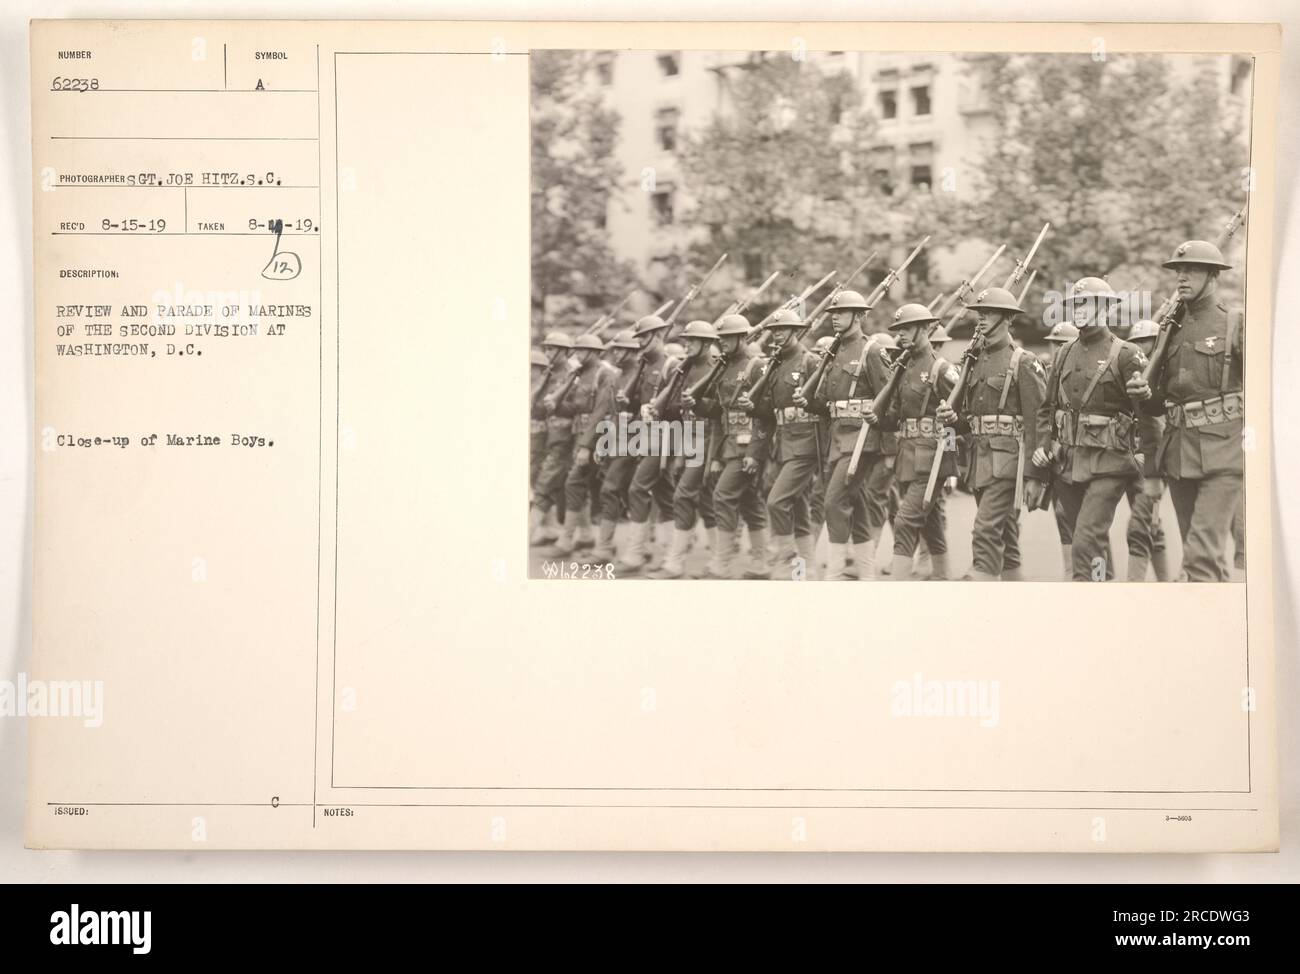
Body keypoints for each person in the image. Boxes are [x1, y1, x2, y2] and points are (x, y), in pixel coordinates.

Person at [1128, 240, 1244, 582]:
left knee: (1198, 559)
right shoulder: (1169, 330)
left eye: (1191, 270)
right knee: (1206, 563)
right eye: (1178, 270)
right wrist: (1143, 392)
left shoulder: (1235, 324)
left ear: (1212, 275)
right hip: (1179, 453)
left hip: (1225, 456)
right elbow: (1158, 402)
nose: (1181, 277)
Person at [1033, 278, 1147, 581]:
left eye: (1086, 303)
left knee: (1085, 541)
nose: (1078, 310)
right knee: (1089, 540)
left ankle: (1089, 597)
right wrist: (1043, 449)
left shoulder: (1126, 354)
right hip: (1067, 465)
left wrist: (1150, 458)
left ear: (1105, 308)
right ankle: (1103, 584)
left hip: (1110, 463)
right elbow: (1047, 409)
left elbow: (1146, 412)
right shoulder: (1063, 354)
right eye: (1074, 304)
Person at [935, 287, 1047, 581]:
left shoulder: (1023, 361)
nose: (981, 319)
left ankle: (979, 579)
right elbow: (969, 420)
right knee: (1006, 534)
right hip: (979, 460)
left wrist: (1036, 475)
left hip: (1008, 461)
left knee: (985, 529)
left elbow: (1039, 421)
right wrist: (953, 418)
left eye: (989, 313)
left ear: (1007, 318)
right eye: (980, 313)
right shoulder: (973, 361)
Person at [795, 291, 891, 580]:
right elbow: (826, 402)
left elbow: (889, 398)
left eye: (841, 312)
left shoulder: (871, 351)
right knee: (857, 504)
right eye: (833, 313)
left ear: (859, 316)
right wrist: (807, 401)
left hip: (862, 440)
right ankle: (866, 572)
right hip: (838, 440)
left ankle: (835, 572)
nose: (834, 317)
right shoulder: (834, 351)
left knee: (832, 501)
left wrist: (888, 449)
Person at [876, 303, 959, 580]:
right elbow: (895, 418)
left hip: (932, 461)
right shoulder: (903, 369)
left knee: (904, 520)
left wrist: (950, 460)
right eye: (899, 330)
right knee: (931, 523)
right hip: (907, 458)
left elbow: (962, 418)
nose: (902, 335)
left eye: (908, 329)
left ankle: (898, 586)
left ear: (925, 329)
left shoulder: (940, 368)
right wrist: (876, 418)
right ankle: (942, 577)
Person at [736, 309, 821, 579]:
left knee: (777, 501)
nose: (778, 334)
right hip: (784, 444)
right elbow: (768, 417)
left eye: (784, 329)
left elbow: (824, 406)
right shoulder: (774, 365)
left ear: (797, 331)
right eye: (776, 329)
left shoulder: (810, 362)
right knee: (797, 506)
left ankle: (787, 560)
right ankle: (805, 569)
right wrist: (753, 413)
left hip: (807, 444)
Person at [647, 321, 723, 578]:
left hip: (708, 438)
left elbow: (720, 407)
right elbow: (675, 407)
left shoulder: (715, 368)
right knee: (702, 501)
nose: (686, 344)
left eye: (692, 340)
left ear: (706, 343)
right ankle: (717, 561)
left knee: (682, 495)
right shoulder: (685, 367)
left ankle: (675, 562)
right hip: (689, 437)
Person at [706, 314, 771, 578]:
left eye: (727, 338)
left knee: (722, 496)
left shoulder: (756, 366)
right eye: (720, 338)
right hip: (730, 446)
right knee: (749, 503)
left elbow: (766, 414)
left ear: (743, 337)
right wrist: (715, 456)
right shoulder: (723, 367)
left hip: (749, 448)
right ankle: (760, 563)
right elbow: (719, 417)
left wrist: (756, 453)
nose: (722, 342)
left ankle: (723, 563)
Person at [608, 315, 674, 572]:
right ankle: (669, 554)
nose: (641, 343)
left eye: (644, 337)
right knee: (664, 494)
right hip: (644, 435)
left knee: (638, 489)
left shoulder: (671, 365)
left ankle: (636, 553)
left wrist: (657, 410)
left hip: (666, 436)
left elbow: (678, 407)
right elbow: (637, 402)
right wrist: (631, 402)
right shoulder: (644, 366)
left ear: (658, 336)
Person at [545, 334, 615, 557]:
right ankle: (585, 538)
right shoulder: (578, 374)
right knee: (576, 485)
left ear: (594, 352)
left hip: (601, 437)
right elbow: (574, 408)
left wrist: (586, 445)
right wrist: (555, 405)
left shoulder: (605, 373)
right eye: (577, 351)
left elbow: (600, 411)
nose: (577, 355)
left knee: (602, 488)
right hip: (580, 435)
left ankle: (583, 543)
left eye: (582, 351)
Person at [587, 329, 642, 562]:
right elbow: (608, 412)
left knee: (618, 491)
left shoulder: (641, 373)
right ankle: (608, 548)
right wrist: (603, 442)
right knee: (614, 491)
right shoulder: (616, 377)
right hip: (617, 438)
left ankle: (617, 549)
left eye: (622, 349)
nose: (617, 353)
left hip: (637, 439)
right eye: (616, 349)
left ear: (632, 351)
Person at [1122, 319, 1170, 581]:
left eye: (1145, 341)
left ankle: (1134, 586)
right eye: (1135, 342)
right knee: (1153, 525)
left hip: (1154, 460)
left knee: (1139, 526)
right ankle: (1165, 583)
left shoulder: (1160, 375)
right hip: (1134, 458)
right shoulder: (1134, 372)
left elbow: (1156, 423)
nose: (1140, 347)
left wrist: (1149, 458)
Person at [529, 331, 575, 545]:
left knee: (548, 482)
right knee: (538, 477)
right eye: (546, 348)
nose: (547, 352)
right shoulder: (546, 375)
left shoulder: (573, 374)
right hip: (543, 435)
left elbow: (580, 405)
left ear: (564, 352)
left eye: (552, 349)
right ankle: (551, 530)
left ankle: (527, 533)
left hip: (566, 436)